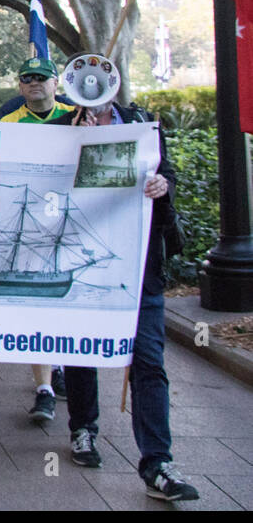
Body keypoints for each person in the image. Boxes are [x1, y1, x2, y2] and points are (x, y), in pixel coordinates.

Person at [52, 99, 199, 501]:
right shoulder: (63, 126)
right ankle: (83, 429)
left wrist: (162, 187)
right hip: (85, 267)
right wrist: (75, 138)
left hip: (139, 268)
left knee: (149, 361)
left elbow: (165, 180)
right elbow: (53, 191)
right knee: (81, 350)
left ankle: (157, 463)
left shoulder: (142, 127)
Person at [0, 57, 72, 421]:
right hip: (30, 215)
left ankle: (65, 367)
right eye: (27, 78)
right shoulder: (8, 122)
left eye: (42, 78)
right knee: (36, 305)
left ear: (55, 82)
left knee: (68, 308)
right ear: (20, 85)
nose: (34, 83)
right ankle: (44, 387)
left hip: (67, 213)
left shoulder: (77, 115)